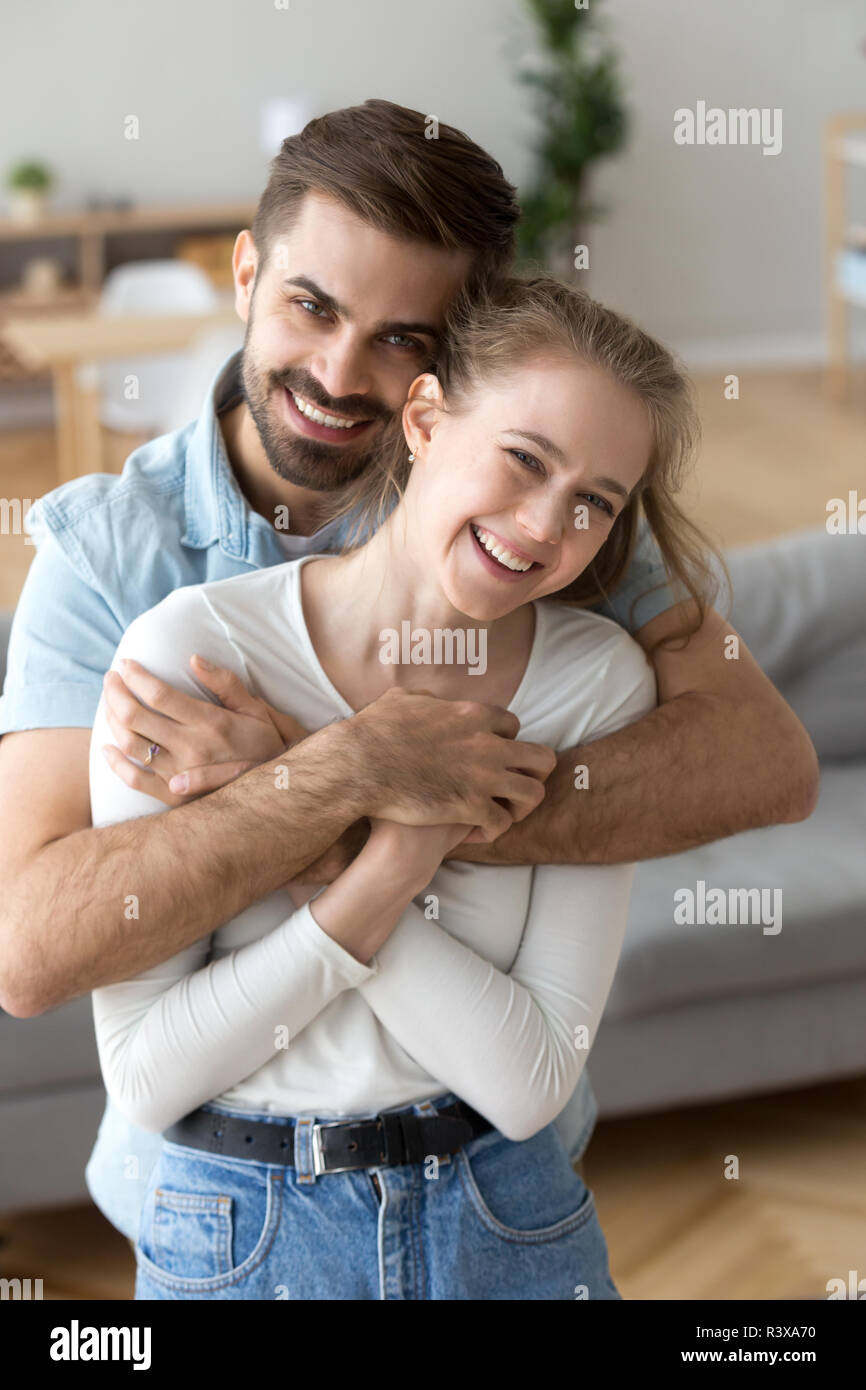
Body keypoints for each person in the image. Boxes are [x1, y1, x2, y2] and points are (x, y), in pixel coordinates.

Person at [0, 103, 818, 1255]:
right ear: (246, 271)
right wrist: (342, 773)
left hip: (495, 1179)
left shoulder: (518, 524)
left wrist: (327, 796)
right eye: (310, 305)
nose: (335, 374)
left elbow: (759, 764)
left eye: (398, 337)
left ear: (450, 370)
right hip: (218, 1202)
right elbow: (30, 948)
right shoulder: (112, 558)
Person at [91, 272, 717, 1300]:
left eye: (592, 504)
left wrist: (295, 805)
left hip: (505, 1217)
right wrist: (383, 838)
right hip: (241, 1232)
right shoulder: (194, 653)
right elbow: (151, 1072)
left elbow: (526, 1082)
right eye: (524, 460)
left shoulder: (594, 684)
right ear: (424, 417)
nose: (541, 524)